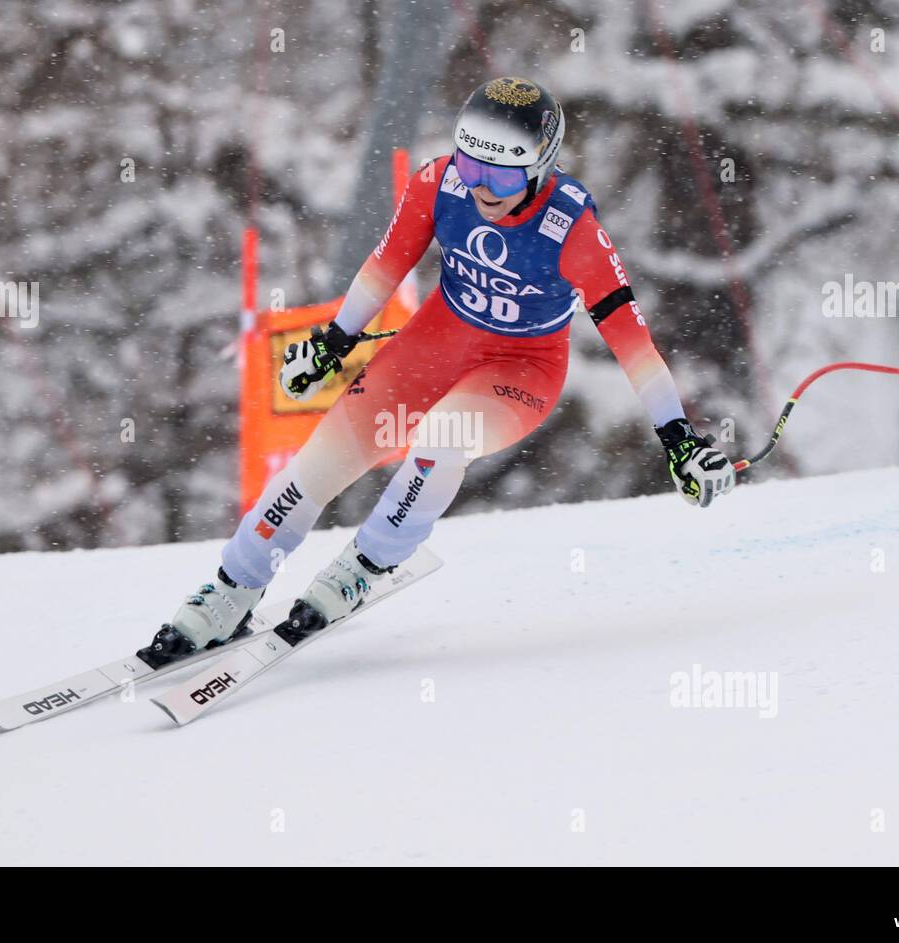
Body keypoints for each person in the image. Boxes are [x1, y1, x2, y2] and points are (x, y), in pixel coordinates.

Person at [148, 76, 735, 659]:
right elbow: (385, 266)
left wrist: (677, 437)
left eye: (501, 175)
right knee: (316, 466)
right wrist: (333, 341)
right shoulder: (439, 183)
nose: (481, 187)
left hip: (518, 372)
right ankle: (231, 589)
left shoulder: (573, 230)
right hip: (432, 346)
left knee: (441, 440)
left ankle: (364, 564)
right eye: (471, 166)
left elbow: (633, 344)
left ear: (540, 167)